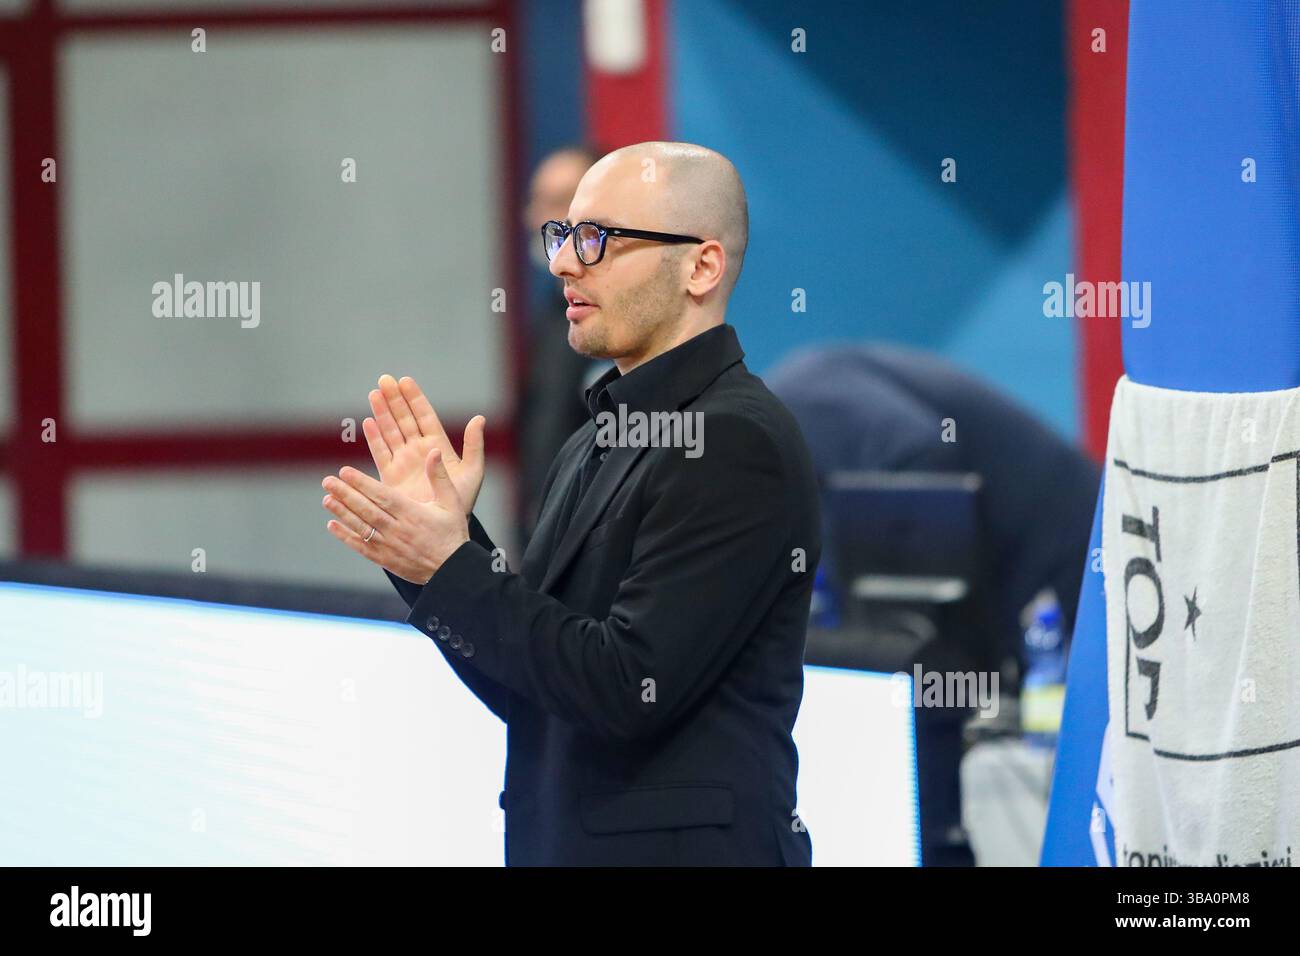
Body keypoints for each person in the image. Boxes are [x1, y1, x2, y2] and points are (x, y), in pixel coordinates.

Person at [320, 142, 821, 866]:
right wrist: (442, 553)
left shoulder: (732, 441)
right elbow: (540, 684)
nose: (562, 263)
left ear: (701, 268)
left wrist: (455, 567)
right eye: (563, 234)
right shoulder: (596, 436)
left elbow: (624, 688)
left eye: (598, 240)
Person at [517, 145, 607, 543]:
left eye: (559, 202)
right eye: (538, 202)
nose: (541, 219)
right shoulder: (552, 316)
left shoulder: (620, 321)